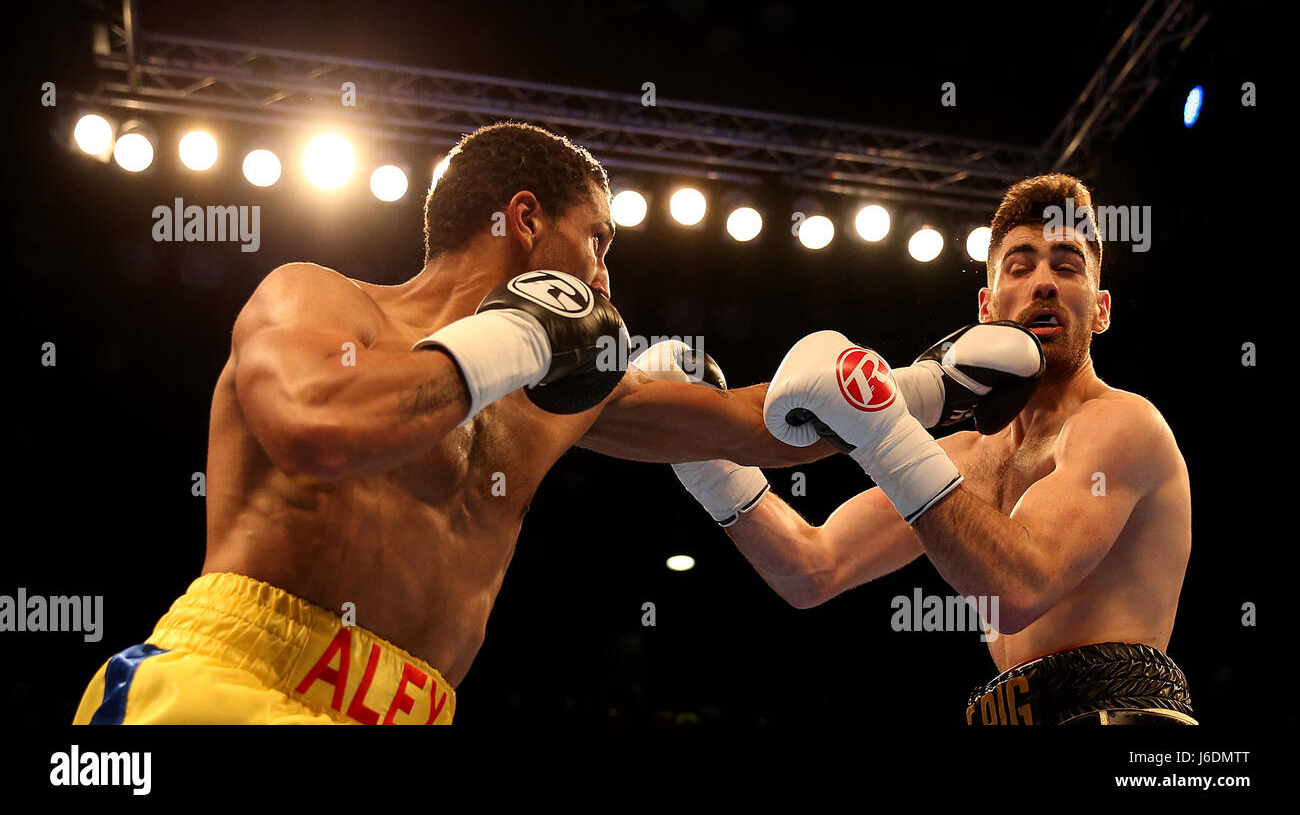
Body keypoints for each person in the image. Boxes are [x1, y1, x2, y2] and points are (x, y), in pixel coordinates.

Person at [73, 122, 830, 725]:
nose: (604, 279)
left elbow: (756, 426)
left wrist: (929, 391)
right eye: (597, 239)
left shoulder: (554, 397)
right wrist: (519, 339)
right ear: (525, 218)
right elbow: (313, 424)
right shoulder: (323, 300)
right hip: (234, 683)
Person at [659, 174, 1196, 725]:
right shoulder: (962, 454)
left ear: (1101, 309)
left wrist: (884, 431)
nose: (1044, 284)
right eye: (1020, 265)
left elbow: (1018, 588)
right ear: (986, 306)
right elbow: (812, 569)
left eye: (1066, 266)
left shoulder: (1124, 423)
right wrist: (704, 463)